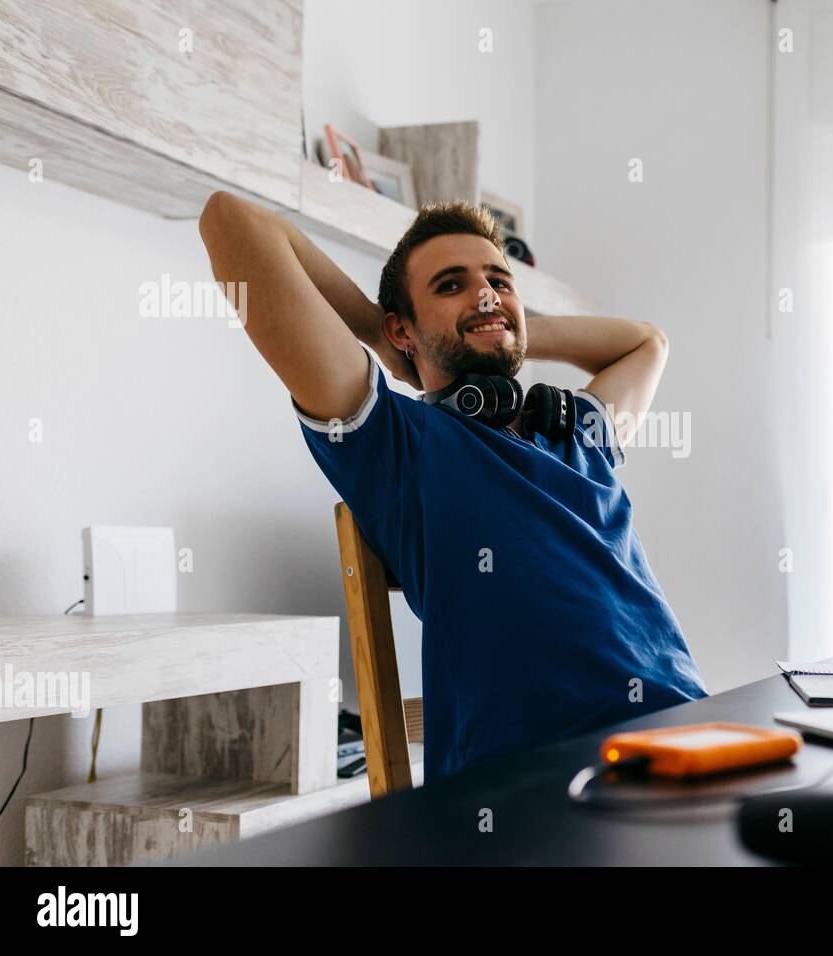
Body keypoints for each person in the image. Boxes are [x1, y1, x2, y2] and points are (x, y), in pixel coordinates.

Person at [198, 192, 708, 781]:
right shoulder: (398, 443)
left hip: (690, 735)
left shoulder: (574, 431)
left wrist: (502, 326)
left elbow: (649, 343)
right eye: (450, 285)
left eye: (499, 280)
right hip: (535, 785)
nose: (487, 292)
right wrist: (386, 338)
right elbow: (230, 221)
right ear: (401, 325)